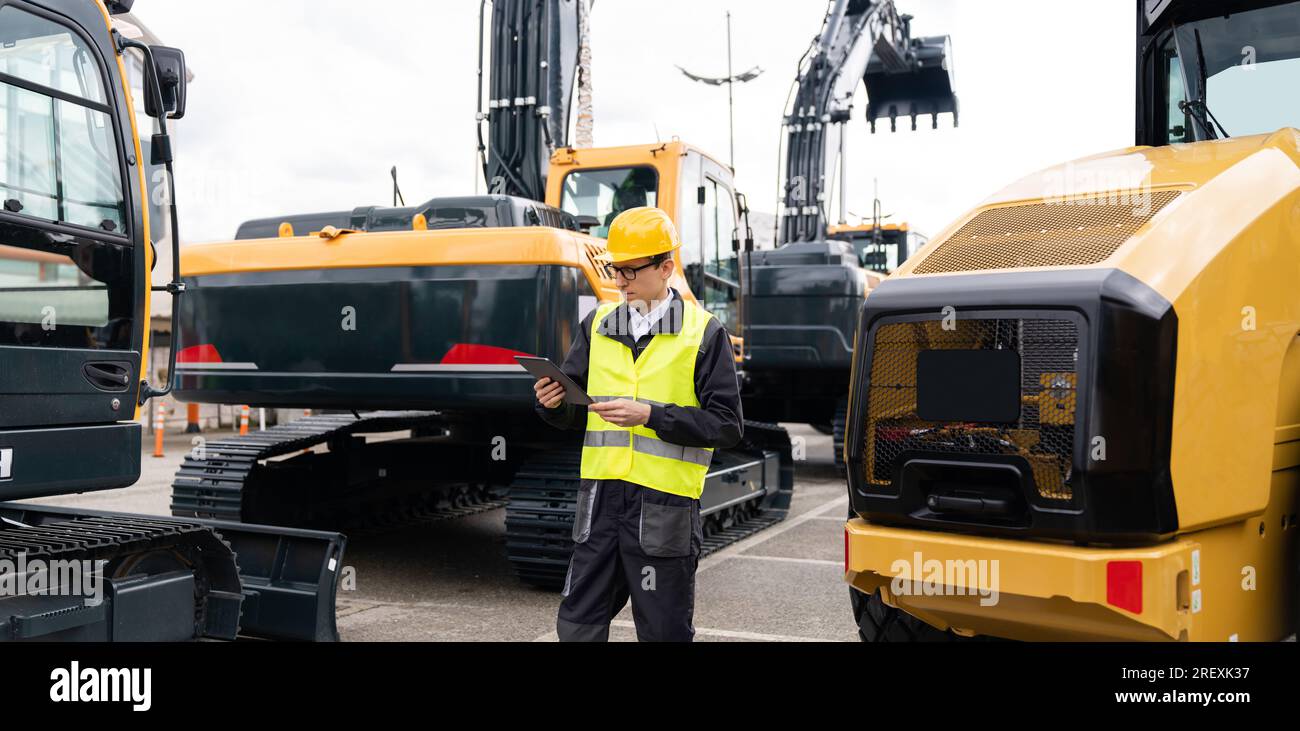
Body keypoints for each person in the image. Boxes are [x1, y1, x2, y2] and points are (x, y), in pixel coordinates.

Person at [534, 206, 743, 642]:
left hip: (664, 506)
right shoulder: (598, 325)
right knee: (577, 624)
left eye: (630, 271)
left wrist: (651, 415)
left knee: (663, 629)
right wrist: (553, 404)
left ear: (666, 266)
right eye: (615, 270)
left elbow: (726, 426)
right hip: (601, 501)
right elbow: (574, 411)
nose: (620, 282)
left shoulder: (703, 333)